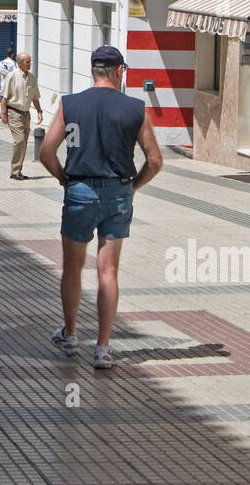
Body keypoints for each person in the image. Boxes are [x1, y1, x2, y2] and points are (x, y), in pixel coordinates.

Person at [39, 45, 163, 370]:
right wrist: (132, 186)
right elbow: (154, 160)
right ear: (119, 71)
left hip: (79, 191)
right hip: (118, 193)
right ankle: (104, 348)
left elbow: (46, 153)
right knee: (108, 270)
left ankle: (69, 334)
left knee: (72, 267)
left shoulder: (71, 105)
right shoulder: (134, 108)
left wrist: (66, 180)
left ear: (94, 71)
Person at [0, 53, 43, 181]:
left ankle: (18, 170)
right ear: (19, 63)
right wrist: (4, 114)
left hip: (26, 114)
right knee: (19, 140)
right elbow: (4, 97)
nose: (30, 64)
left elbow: (35, 97)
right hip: (14, 112)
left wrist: (39, 112)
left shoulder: (31, 78)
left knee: (24, 142)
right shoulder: (12, 76)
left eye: (30, 61)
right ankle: (15, 170)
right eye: (27, 62)